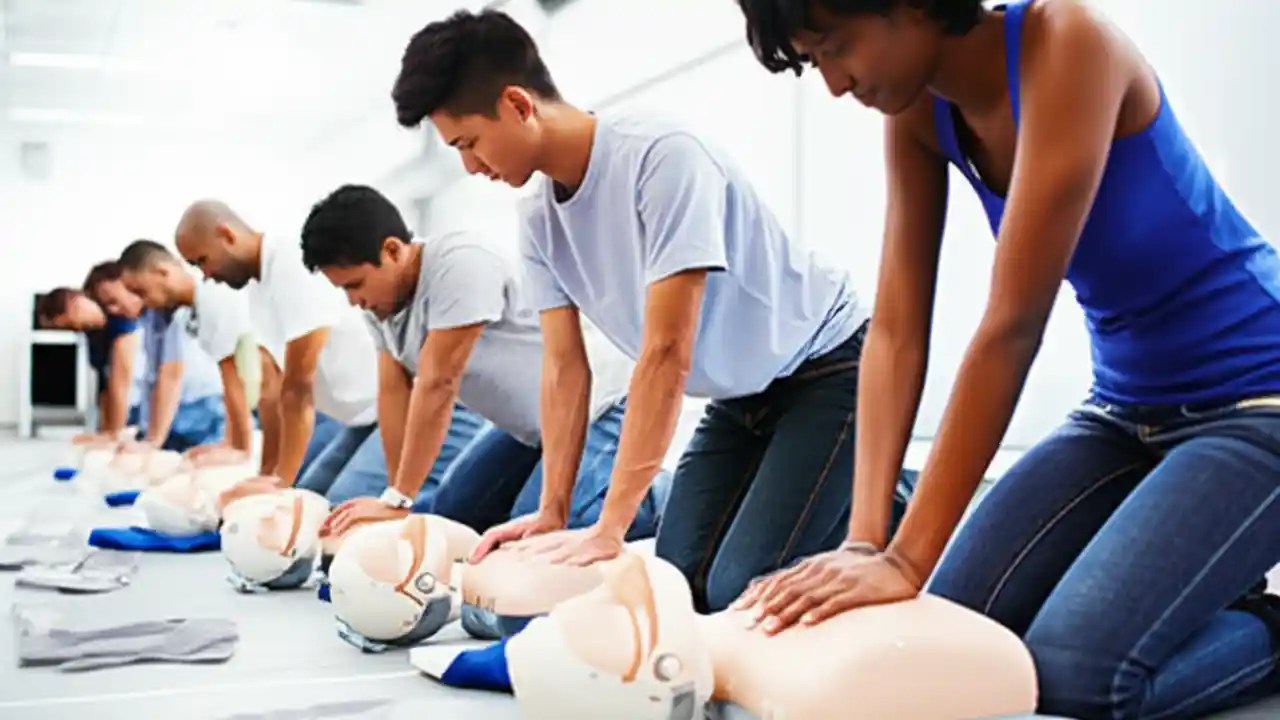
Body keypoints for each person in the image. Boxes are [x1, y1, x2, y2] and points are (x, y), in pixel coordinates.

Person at [732, 1, 1280, 718]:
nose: (836, 84)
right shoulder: (916, 114)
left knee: (1074, 677)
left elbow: (1012, 325)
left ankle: (1263, 627)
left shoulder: (1068, 43)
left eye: (837, 47)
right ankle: (1200, 574)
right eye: (815, 62)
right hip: (1124, 411)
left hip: (1256, 404)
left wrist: (906, 560)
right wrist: (869, 542)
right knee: (966, 634)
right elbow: (897, 328)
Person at [391, 9, 916, 613]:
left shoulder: (660, 157)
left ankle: (891, 496)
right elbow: (565, 370)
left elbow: (668, 350)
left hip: (830, 370)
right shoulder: (537, 219)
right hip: (739, 400)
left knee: (735, 590)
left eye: (469, 143)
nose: (469, 166)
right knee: (679, 583)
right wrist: (554, 512)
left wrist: (609, 527)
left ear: (517, 104)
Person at [298, 184, 666, 539]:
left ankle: (659, 495)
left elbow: (438, 382)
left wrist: (398, 499)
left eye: (355, 285)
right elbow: (395, 393)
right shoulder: (380, 304)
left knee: (531, 533)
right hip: (536, 429)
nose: (352, 301)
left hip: (599, 409)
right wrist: (396, 498)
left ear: (393, 250)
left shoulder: (460, 262)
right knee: (452, 514)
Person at [173, 200, 483, 505]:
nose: (205, 275)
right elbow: (272, 391)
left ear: (227, 235)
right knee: (307, 500)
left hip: (416, 408)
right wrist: (266, 476)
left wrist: (281, 482)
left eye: (202, 260)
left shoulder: (289, 263)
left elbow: (298, 386)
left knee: (331, 510)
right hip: (365, 417)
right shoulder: (257, 290)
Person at [117, 239, 261, 456]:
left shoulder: (216, 297)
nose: (142, 301)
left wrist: (240, 449)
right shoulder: (182, 317)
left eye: (141, 291)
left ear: (162, 272)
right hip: (234, 413)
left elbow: (240, 376)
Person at [82, 260, 226, 452]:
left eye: (113, 301)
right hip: (172, 415)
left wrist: (152, 441)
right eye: (106, 306)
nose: (113, 311)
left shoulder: (179, 313)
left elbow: (170, 375)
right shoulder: (149, 319)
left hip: (200, 412)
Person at [36, 286, 139, 437]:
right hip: (124, 411)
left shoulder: (122, 321)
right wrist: (105, 433)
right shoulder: (93, 336)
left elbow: (121, 386)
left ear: (74, 303)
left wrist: (115, 435)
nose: (75, 328)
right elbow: (105, 389)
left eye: (69, 324)